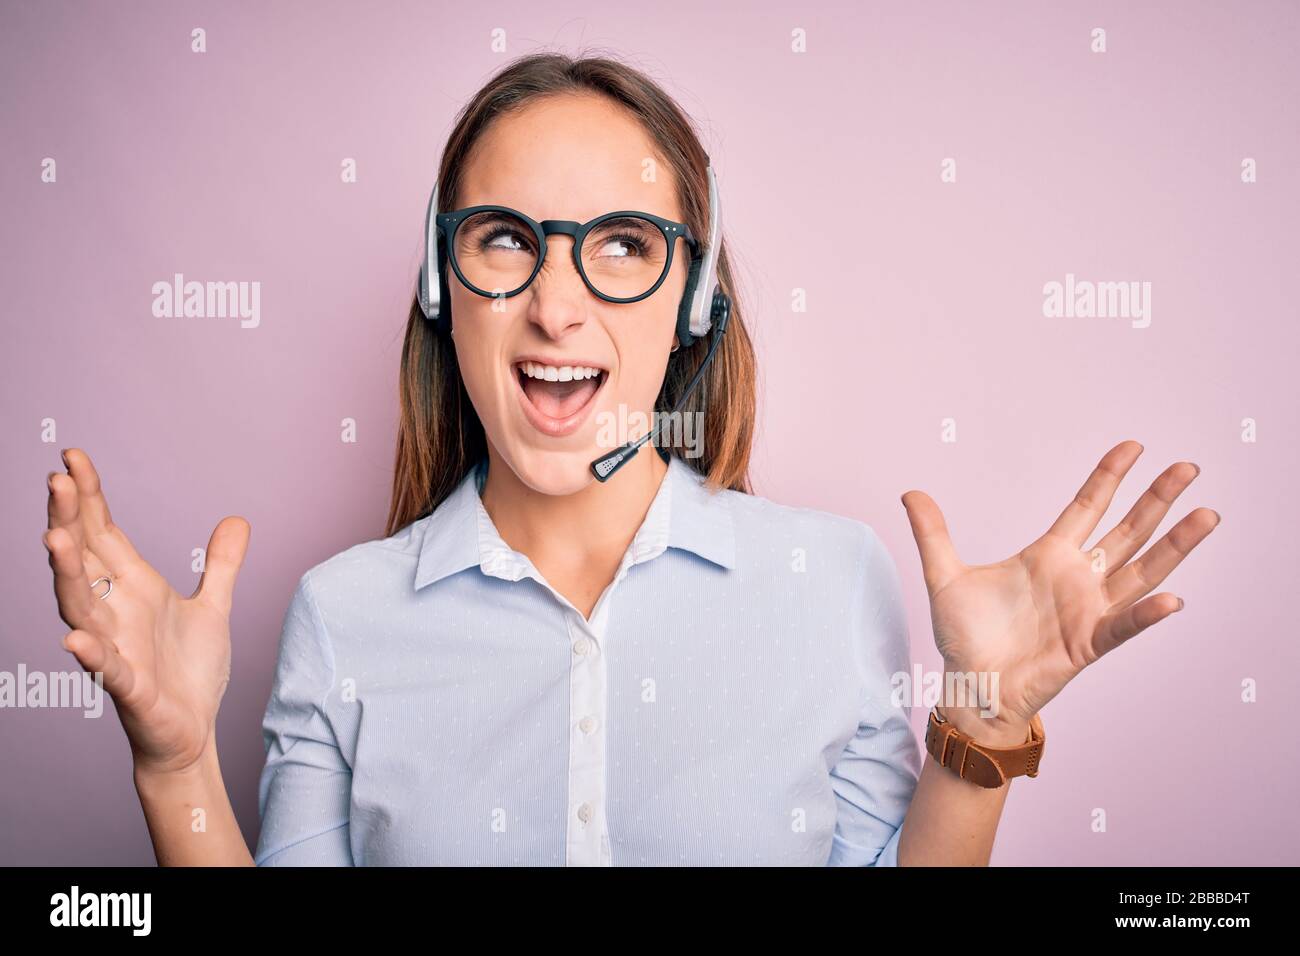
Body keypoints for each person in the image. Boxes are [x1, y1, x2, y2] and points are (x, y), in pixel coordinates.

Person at [41, 53, 1219, 866]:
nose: (556, 304)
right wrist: (177, 761)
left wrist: (982, 725)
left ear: (695, 297)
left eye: (621, 244)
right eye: (505, 238)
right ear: (441, 286)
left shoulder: (830, 579)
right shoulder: (341, 615)